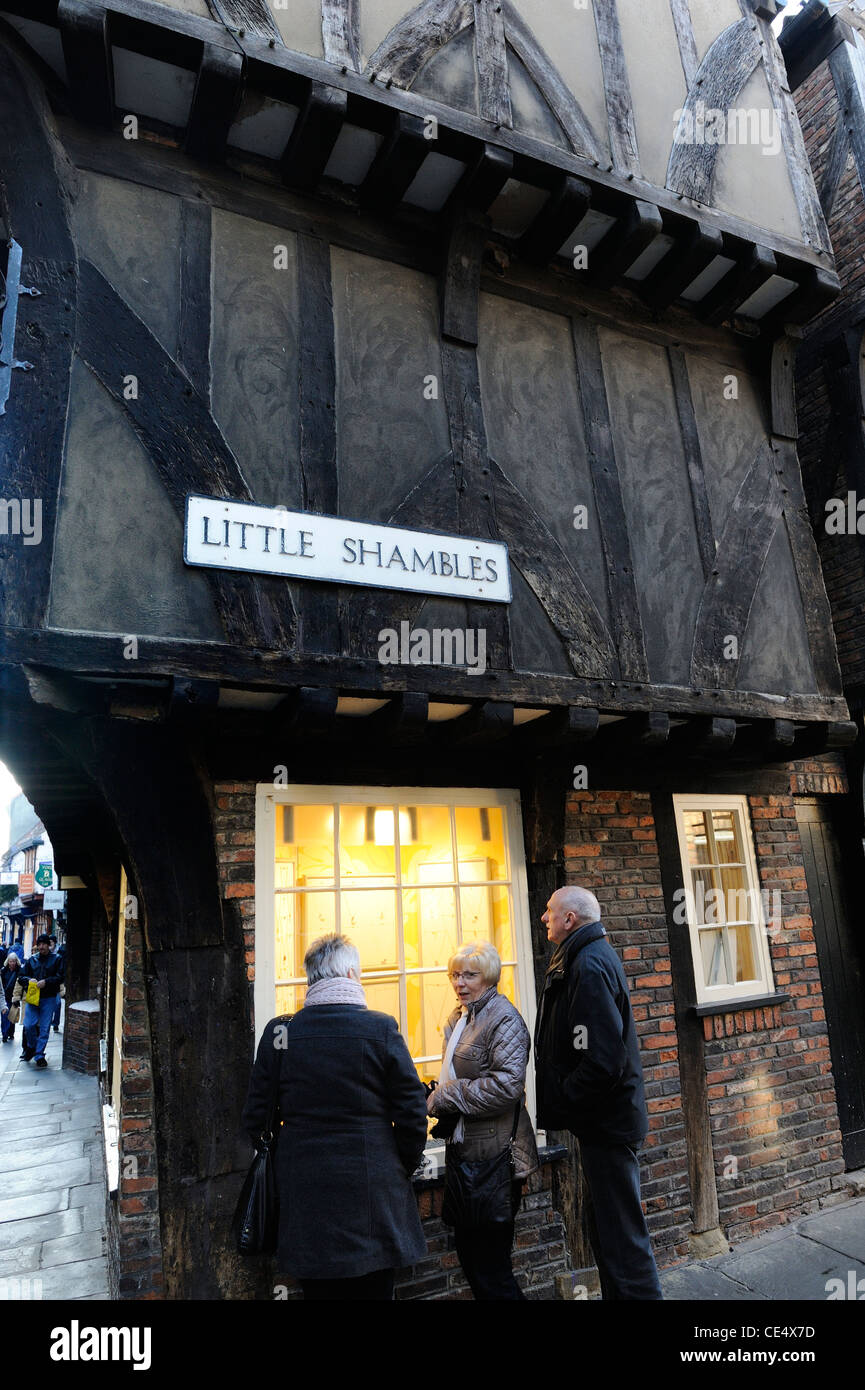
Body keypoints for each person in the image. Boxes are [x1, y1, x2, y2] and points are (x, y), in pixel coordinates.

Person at [241, 933, 428, 1300]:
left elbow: (255, 1117)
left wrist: (291, 1159)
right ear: (353, 974)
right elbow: (412, 1112)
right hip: (374, 1190)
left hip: (306, 1193)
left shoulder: (281, 1033)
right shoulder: (380, 1028)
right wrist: (400, 1164)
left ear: (311, 978)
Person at [534, 886, 662, 1300]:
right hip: (604, 1123)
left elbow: (602, 1059)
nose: (544, 918)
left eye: (550, 911)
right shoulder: (586, 955)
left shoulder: (587, 965)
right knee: (608, 1230)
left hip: (607, 1125)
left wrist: (566, 1097)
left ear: (570, 919)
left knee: (622, 1237)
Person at [427, 941, 539, 1301]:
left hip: (494, 1157)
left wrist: (446, 1095)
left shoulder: (503, 1019)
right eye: (455, 974)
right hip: (465, 1153)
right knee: (473, 1262)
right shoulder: (460, 1018)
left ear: (488, 977)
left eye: (469, 975)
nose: (459, 982)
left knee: (491, 1270)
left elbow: (506, 1087)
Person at [19, 934, 65, 1068]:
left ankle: (39, 1055)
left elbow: (61, 977)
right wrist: (29, 980)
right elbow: (21, 977)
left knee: (44, 1028)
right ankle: (32, 1047)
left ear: (49, 945)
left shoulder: (57, 959)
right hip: (33, 997)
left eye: (44, 944)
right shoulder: (32, 960)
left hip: (49, 998)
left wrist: (46, 982)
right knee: (28, 1025)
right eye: (39, 944)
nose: (41, 947)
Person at [1, 952, 22, 1044]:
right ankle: (4, 1034)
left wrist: (18, 997)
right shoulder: (3, 971)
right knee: (4, 1016)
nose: (12, 963)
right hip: (4, 997)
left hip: (14, 997)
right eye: (10, 961)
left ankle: (11, 1033)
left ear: (16, 961)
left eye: (14, 961)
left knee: (12, 1016)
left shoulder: (20, 971)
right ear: (8, 961)